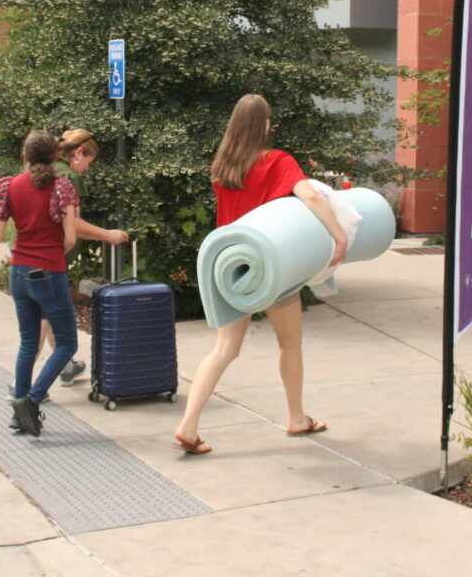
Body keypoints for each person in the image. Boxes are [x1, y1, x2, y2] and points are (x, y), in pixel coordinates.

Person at [173, 94, 348, 455]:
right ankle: (297, 418)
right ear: (264, 124)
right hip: (272, 265)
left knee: (224, 349)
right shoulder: (277, 161)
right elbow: (312, 198)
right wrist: (339, 235)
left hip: (230, 264)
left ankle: (188, 425)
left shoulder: (223, 165)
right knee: (290, 343)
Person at [0, 130, 78, 438]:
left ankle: (19, 414)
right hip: (49, 272)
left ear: (24, 156)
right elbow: (70, 237)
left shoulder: (8, 187)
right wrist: (53, 256)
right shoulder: (62, 188)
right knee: (68, 343)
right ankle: (30, 401)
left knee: (28, 343)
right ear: (57, 156)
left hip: (18, 271)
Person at [39, 128, 130, 387]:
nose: (88, 167)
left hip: (27, 251)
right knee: (45, 317)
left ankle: (66, 366)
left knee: (47, 314)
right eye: (89, 160)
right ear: (79, 153)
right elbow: (74, 225)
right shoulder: (67, 176)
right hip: (50, 254)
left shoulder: (45, 166)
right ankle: (22, 387)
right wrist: (107, 234)